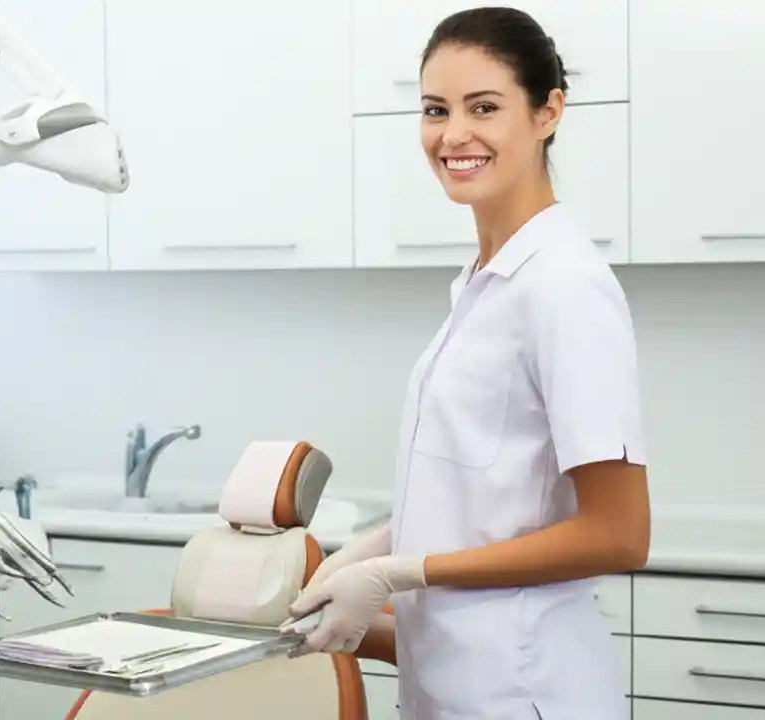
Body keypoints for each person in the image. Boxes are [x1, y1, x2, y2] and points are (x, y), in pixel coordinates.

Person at [281, 7, 651, 719]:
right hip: (454, 693)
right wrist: (365, 560)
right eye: (434, 109)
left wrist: (399, 572)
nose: (453, 135)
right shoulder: (482, 285)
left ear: (549, 111)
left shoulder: (564, 287)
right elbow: (490, 496)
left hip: (529, 692)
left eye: (484, 107)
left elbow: (619, 532)